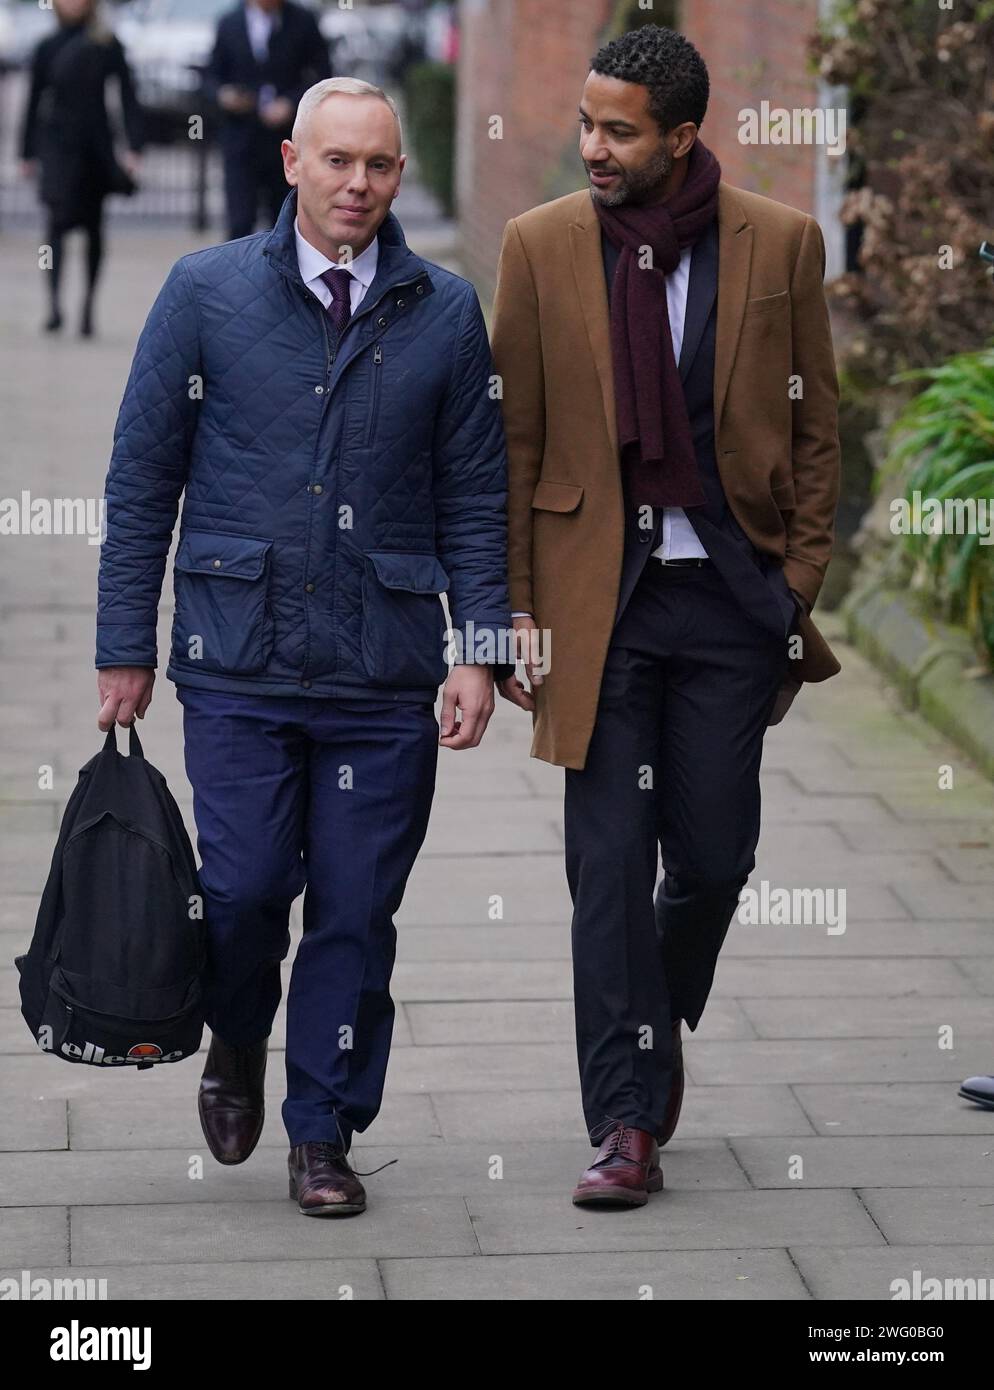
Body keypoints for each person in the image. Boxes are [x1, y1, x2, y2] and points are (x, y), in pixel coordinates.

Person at [95, 77, 512, 1216]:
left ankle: (322, 1127)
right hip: (235, 655)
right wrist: (122, 647)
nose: (358, 185)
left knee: (353, 908)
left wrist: (478, 649)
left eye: (378, 165)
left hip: (383, 670)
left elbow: (477, 497)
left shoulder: (440, 309)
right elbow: (142, 480)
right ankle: (237, 1035)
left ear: (398, 173)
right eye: (337, 162)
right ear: (291, 163)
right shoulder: (206, 293)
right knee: (238, 889)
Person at [492, 25, 842, 1207]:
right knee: (607, 868)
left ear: (681, 136)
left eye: (618, 130)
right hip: (601, 609)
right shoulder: (540, 246)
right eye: (588, 123)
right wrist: (516, 616)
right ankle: (627, 1122)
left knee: (709, 860)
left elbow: (813, 433)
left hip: (731, 604)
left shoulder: (781, 244)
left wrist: (795, 586)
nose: (592, 145)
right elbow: (513, 444)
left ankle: (653, 1018)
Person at [18, 0, 143, 337]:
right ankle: (55, 304)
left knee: (93, 227)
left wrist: (134, 146)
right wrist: (27, 153)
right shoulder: (47, 46)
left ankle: (88, 305)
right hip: (57, 147)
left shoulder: (106, 43)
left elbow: (128, 94)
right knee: (56, 224)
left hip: (95, 148)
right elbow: (33, 100)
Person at [204, 0, 330, 241]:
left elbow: (322, 74)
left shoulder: (303, 21)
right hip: (242, 140)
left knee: (285, 222)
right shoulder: (229, 23)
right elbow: (211, 76)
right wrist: (225, 95)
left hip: (286, 139)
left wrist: (291, 104)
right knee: (239, 222)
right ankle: (240, 278)